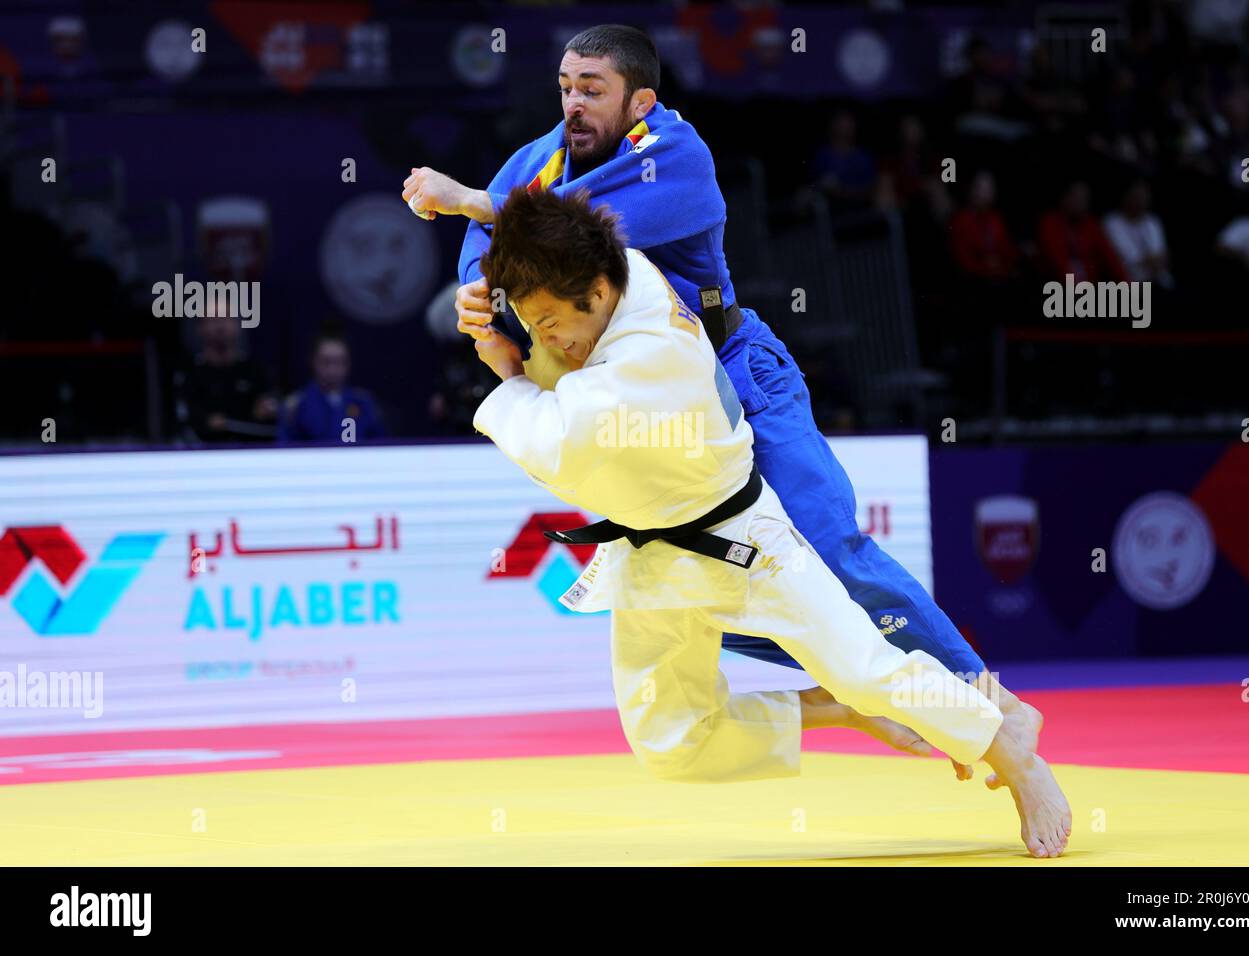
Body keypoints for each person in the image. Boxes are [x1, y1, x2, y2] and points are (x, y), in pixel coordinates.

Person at [403, 23, 1042, 782]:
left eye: (593, 91)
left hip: (739, 375)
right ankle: (852, 689)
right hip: (664, 415)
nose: (574, 104)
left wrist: (469, 199)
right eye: (567, 87)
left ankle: (987, 698)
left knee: (832, 549)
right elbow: (498, 248)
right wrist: (480, 291)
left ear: (640, 99)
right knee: (704, 586)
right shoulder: (536, 164)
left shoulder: (676, 156)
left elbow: (581, 238)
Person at [469, 186, 1071, 858]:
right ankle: (834, 712)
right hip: (652, 557)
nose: (546, 340)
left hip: (743, 540)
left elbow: (554, 450)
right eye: (532, 325)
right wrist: (483, 279)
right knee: (670, 744)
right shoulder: (614, 267)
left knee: (870, 668)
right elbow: (547, 236)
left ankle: (1016, 760)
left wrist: (507, 373)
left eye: (550, 323)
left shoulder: (645, 359)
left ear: (600, 290)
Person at [174, 302, 278, 444]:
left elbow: (269, 415)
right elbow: (186, 420)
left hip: (253, 453)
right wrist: (208, 422)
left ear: (237, 325)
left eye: (226, 318)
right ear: (200, 328)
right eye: (213, 320)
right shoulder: (189, 375)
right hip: (204, 454)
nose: (220, 326)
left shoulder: (256, 371)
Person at [279, 328, 385, 443]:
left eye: (339, 362)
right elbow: (285, 451)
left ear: (348, 364)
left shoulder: (363, 402)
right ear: (313, 362)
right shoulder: (296, 405)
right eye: (326, 362)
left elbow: (380, 447)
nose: (332, 370)